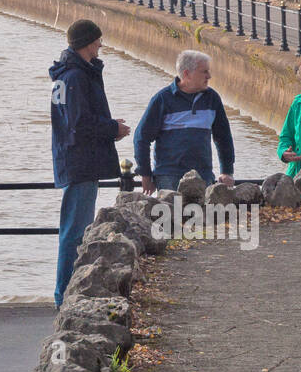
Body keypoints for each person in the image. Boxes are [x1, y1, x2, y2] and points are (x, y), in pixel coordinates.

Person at [49, 19, 131, 308]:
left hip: (72, 159)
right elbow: (79, 124)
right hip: (79, 162)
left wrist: (109, 127)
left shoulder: (67, 75)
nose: (100, 45)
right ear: (86, 43)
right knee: (75, 231)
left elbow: (72, 121)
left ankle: (65, 292)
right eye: (97, 40)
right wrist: (112, 129)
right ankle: (64, 296)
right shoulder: (75, 77)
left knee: (73, 229)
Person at [134, 49, 236, 194]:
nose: (209, 76)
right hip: (169, 176)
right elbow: (141, 138)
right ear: (187, 74)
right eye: (204, 71)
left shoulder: (212, 99)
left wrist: (227, 171)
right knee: (172, 216)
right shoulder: (163, 99)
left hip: (203, 174)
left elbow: (223, 137)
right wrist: (145, 174)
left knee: (202, 217)